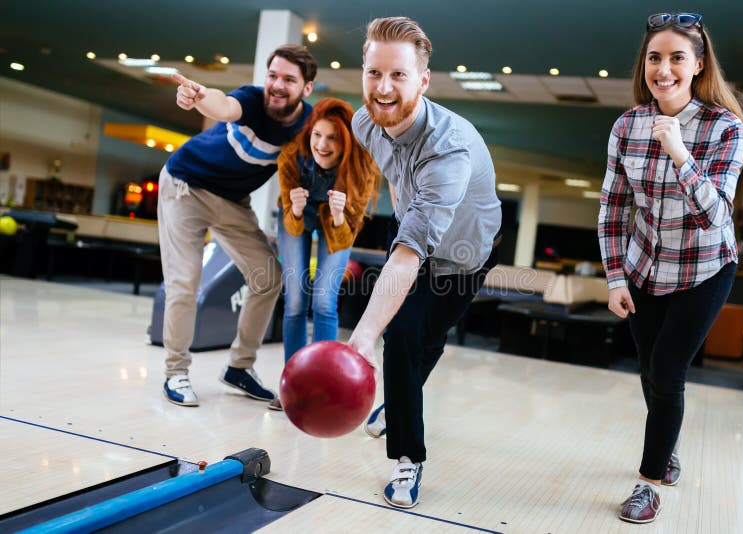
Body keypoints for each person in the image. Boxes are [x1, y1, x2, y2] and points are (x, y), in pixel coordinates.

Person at [347, 17, 502, 509]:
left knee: (425, 338)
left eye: (398, 75)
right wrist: (404, 212)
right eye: (375, 73)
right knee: (405, 335)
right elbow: (396, 176)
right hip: (417, 227)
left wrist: (361, 335)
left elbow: (413, 254)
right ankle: (408, 458)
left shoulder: (449, 145)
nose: (384, 88)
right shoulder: (364, 121)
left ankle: (398, 399)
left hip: (467, 252)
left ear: (423, 80)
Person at [598, 13, 743, 524]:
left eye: (677, 58)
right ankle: (667, 452)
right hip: (644, 267)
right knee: (649, 371)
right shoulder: (627, 125)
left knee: (667, 370)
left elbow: (715, 216)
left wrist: (679, 151)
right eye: (654, 58)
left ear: (699, 65)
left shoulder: (725, 128)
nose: (663, 69)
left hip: (704, 269)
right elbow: (614, 208)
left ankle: (649, 482)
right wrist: (616, 276)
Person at [159, 45, 317, 407]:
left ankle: (239, 367)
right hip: (186, 186)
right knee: (184, 282)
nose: (277, 85)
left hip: (232, 201)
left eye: (289, 80)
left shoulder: (307, 125)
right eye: (272, 75)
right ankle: (175, 371)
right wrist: (200, 97)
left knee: (268, 279)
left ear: (307, 88)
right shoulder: (252, 99)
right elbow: (223, 105)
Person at [269, 97, 381, 411]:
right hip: (297, 219)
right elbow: (290, 225)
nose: (322, 144)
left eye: (332, 137)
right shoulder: (292, 155)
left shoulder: (359, 168)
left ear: (345, 142)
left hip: (337, 221)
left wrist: (339, 216)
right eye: (317, 135)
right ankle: (293, 386)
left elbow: (346, 235)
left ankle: (323, 384)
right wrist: (297, 208)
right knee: (295, 301)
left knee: (323, 300)